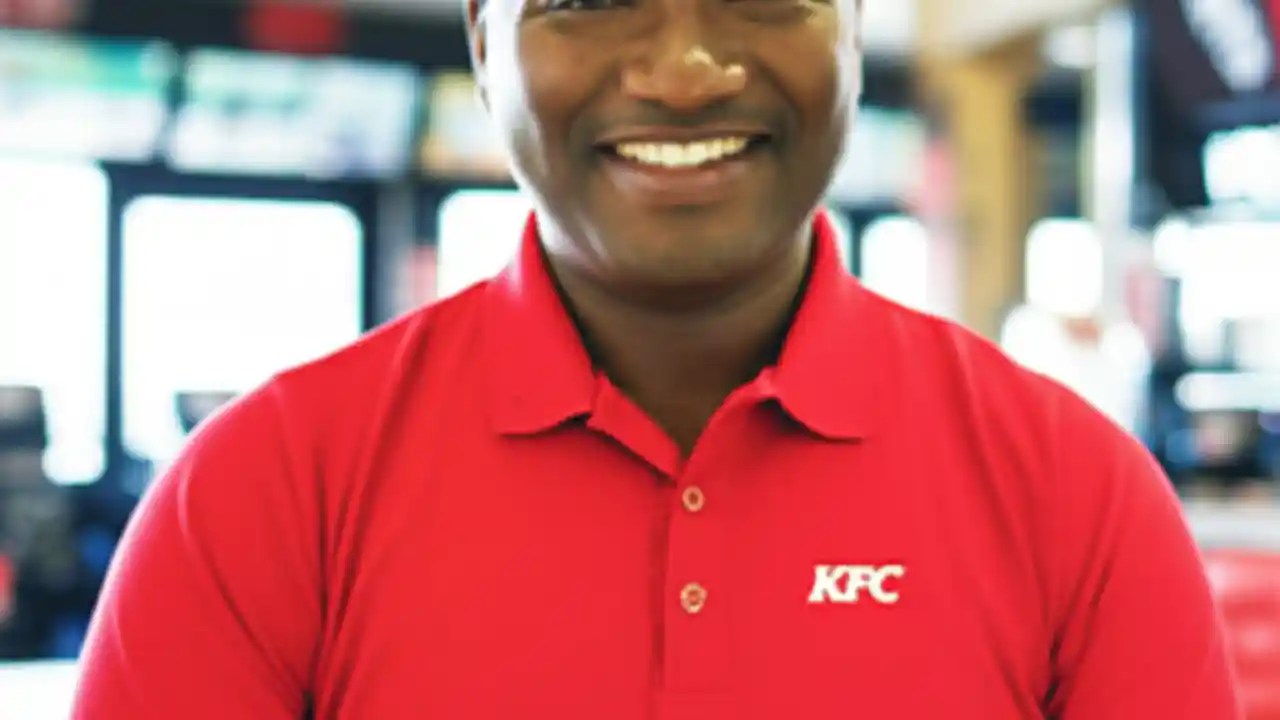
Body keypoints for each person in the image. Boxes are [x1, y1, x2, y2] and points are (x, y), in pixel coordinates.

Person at [73, 0, 1241, 717]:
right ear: (487, 44)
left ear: (844, 24)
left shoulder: (1077, 496)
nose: (683, 68)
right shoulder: (260, 494)